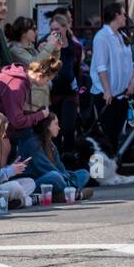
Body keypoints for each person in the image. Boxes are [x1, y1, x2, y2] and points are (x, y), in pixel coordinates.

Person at [0, 55, 58, 155]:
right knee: (11, 144)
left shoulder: (21, 78)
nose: (47, 84)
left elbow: (13, 111)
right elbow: (17, 121)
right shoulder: (18, 85)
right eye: (47, 80)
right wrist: (40, 115)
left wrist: (34, 114)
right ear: (40, 75)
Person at [90, 1, 134, 154]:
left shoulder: (122, 36)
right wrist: (107, 91)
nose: (125, 17)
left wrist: (132, 83)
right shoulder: (102, 37)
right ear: (116, 15)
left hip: (121, 94)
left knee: (116, 133)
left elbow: (129, 63)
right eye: (123, 14)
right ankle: (102, 167)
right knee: (106, 135)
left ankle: (113, 164)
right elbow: (101, 67)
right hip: (107, 95)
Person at [46, 10, 85, 163]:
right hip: (53, 92)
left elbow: (77, 69)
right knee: (54, 130)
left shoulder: (75, 46)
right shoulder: (46, 45)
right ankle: (56, 160)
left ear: (65, 28)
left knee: (68, 127)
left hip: (70, 92)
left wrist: (79, 89)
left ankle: (69, 157)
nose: (54, 33)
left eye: (57, 29)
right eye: (52, 30)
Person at [27, 113, 93, 200]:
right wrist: (66, 179)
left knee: (84, 173)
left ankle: (64, 193)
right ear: (48, 126)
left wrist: (68, 177)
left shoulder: (51, 145)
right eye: (56, 124)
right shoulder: (33, 143)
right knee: (55, 176)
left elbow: (60, 167)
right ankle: (72, 193)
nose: (59, 128)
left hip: (58, 178)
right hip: (37, 181)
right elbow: (45, 168)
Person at [6, 16, 61, 114]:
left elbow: (49, 68)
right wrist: (49, 45)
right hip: (29, 103)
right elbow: (34, 64)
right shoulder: (15, 50)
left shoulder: (31, 49)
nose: (37, 32)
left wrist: (56, 50)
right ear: (23, 33)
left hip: (40, 99)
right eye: (33, 29)